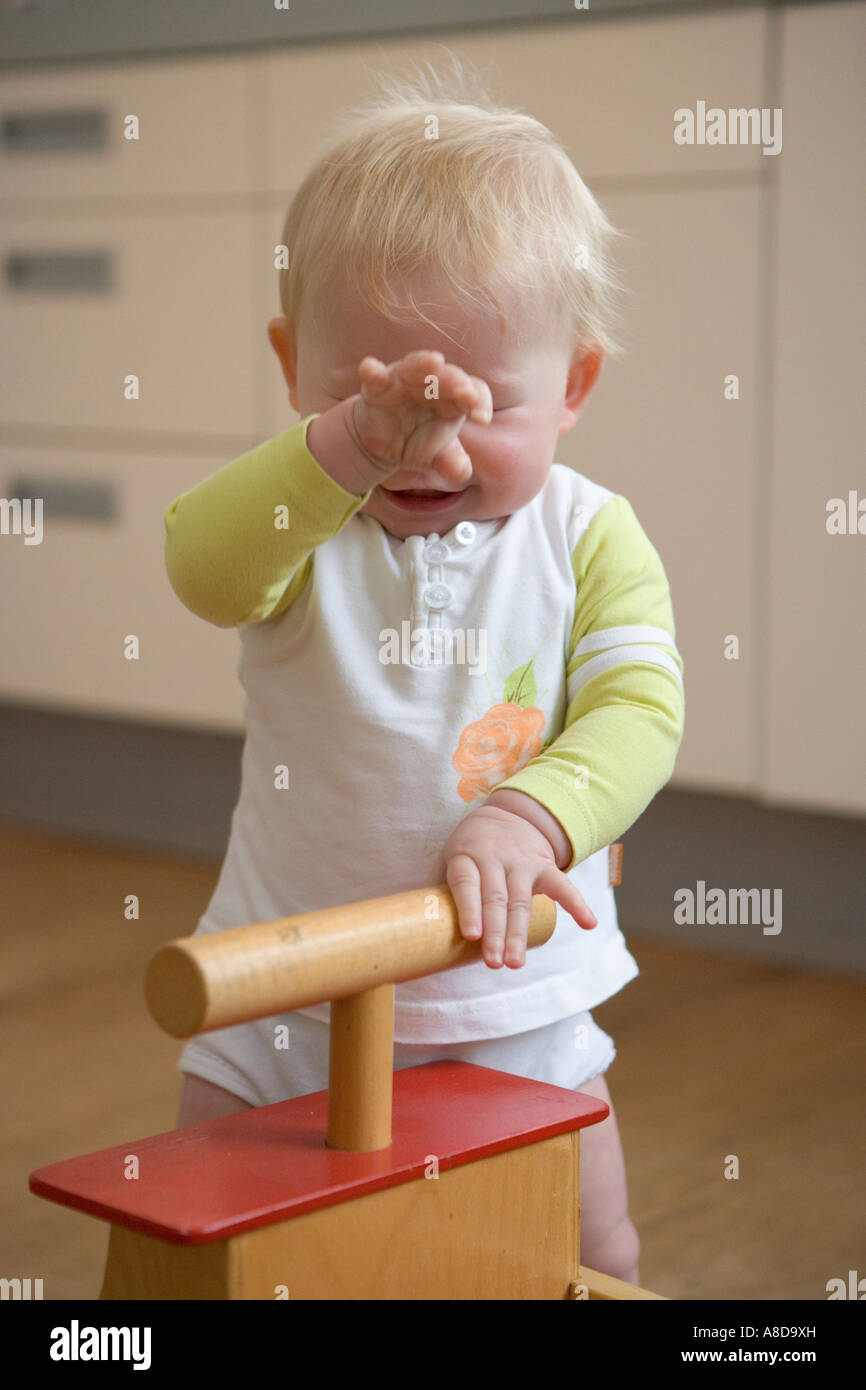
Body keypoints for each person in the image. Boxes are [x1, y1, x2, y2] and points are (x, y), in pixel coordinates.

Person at [163, 56, 685, 1287]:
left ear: (571, 387)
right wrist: (336, 447)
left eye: (479, 404)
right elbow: (201, 567)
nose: (425, 444)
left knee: (586, 1244)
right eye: (373, 396)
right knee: (209, 1242)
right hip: (275, 994)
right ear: (296, 367)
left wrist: (533, 812)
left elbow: (640, 711)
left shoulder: (588, 533)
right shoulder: (302, 519)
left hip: (515, 1004)